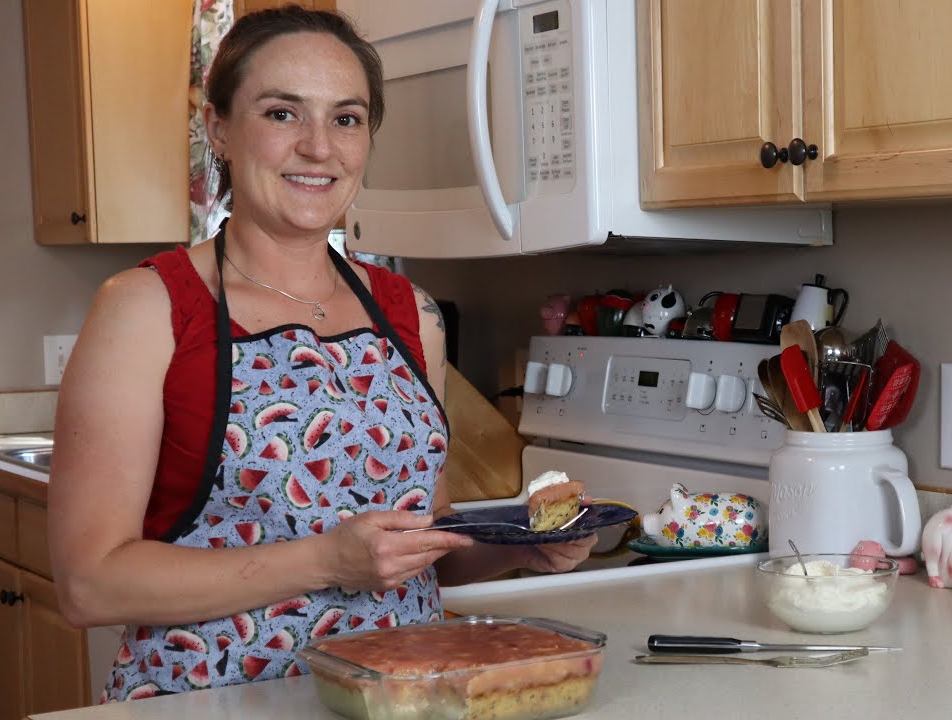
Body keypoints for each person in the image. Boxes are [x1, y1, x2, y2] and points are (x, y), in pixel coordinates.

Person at [47, 6, 596, 702]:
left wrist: (525, 546)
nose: (318, 147)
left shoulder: (409, 314)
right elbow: (89, 585)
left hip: (395, 701)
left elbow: (419, 545)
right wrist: (324, 561)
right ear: (218, 129)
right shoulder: (148, 308)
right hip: (208, 702)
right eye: (282, 114)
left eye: (346, 118)